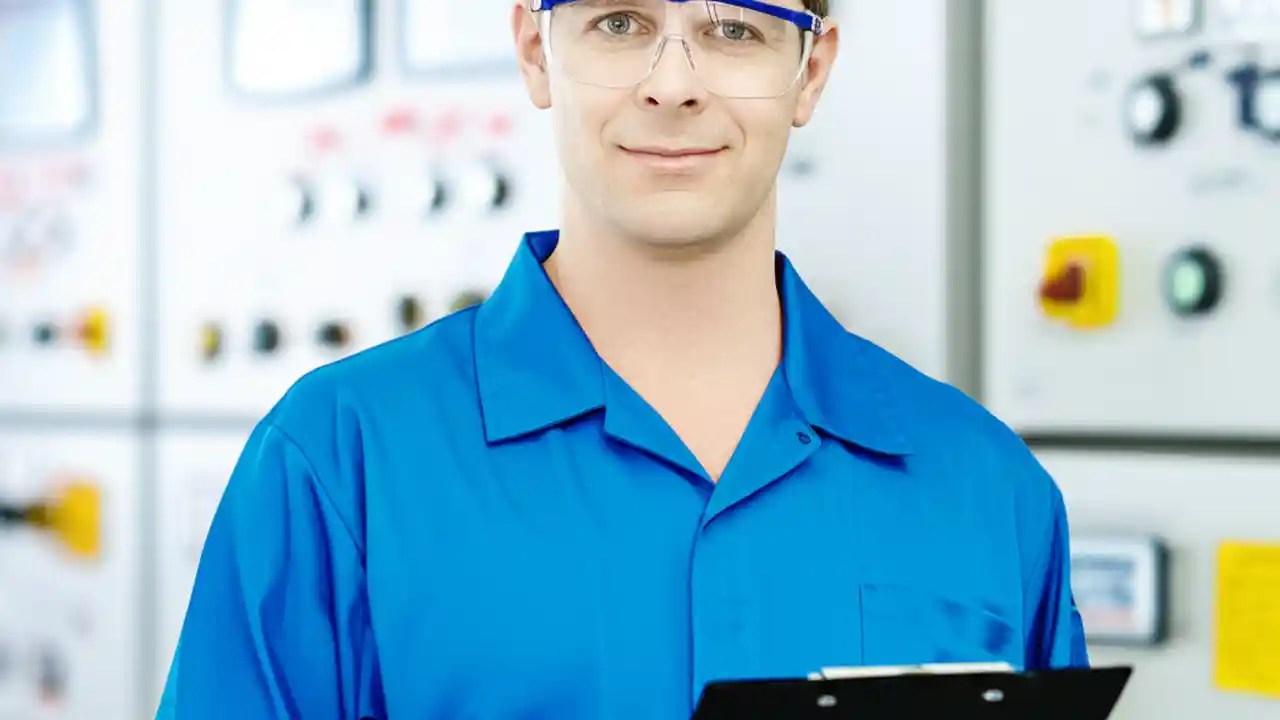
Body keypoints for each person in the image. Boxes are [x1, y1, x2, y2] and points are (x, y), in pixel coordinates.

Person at [157, 0, 1088, 717]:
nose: (673, 84)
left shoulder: (985, 484)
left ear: (811, 73)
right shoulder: (341, 459)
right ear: (535, 49)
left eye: (735, 28)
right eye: (619, 21)